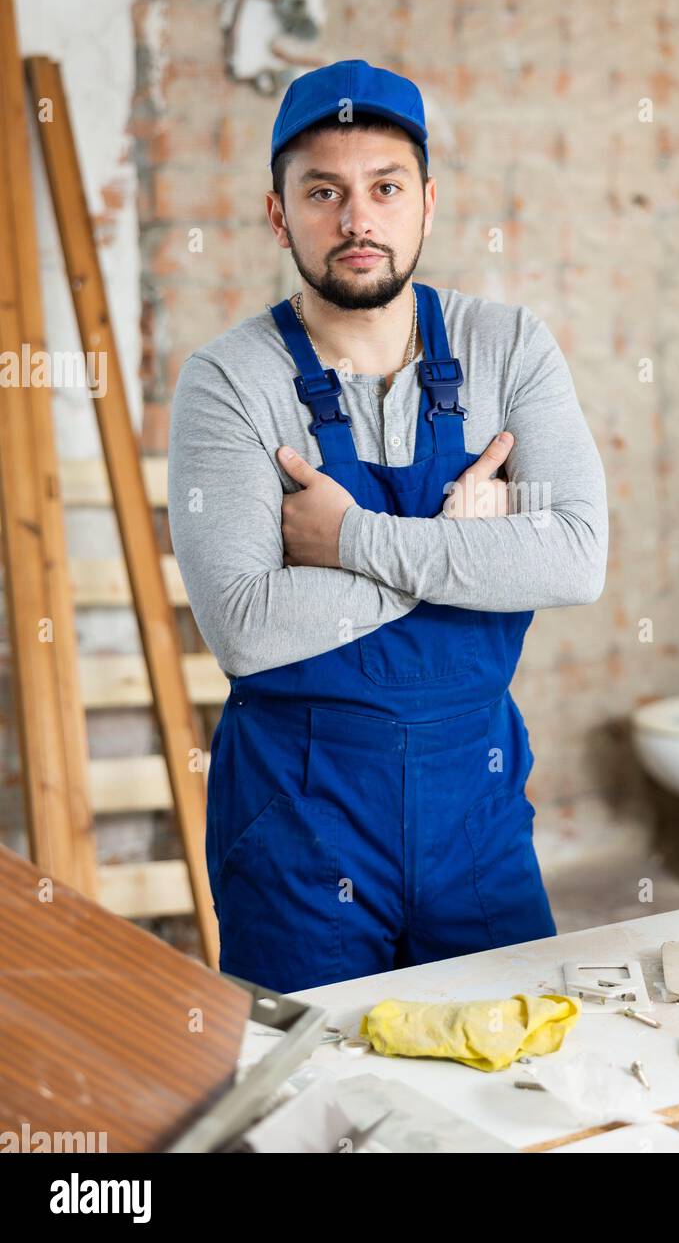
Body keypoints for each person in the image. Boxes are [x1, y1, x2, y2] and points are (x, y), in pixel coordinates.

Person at [167, 58, 609, 993]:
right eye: (323, 191)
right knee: (309, 1107)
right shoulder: (227, 381)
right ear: (280, 213)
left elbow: (576, 558)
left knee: (512, 1083)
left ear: (428, 203)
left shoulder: (510, 346)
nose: (357, 219)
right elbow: (246, 628)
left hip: (476, 811)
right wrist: (472, 545)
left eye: (385, 188)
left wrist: (350, 539)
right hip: (299, 818)